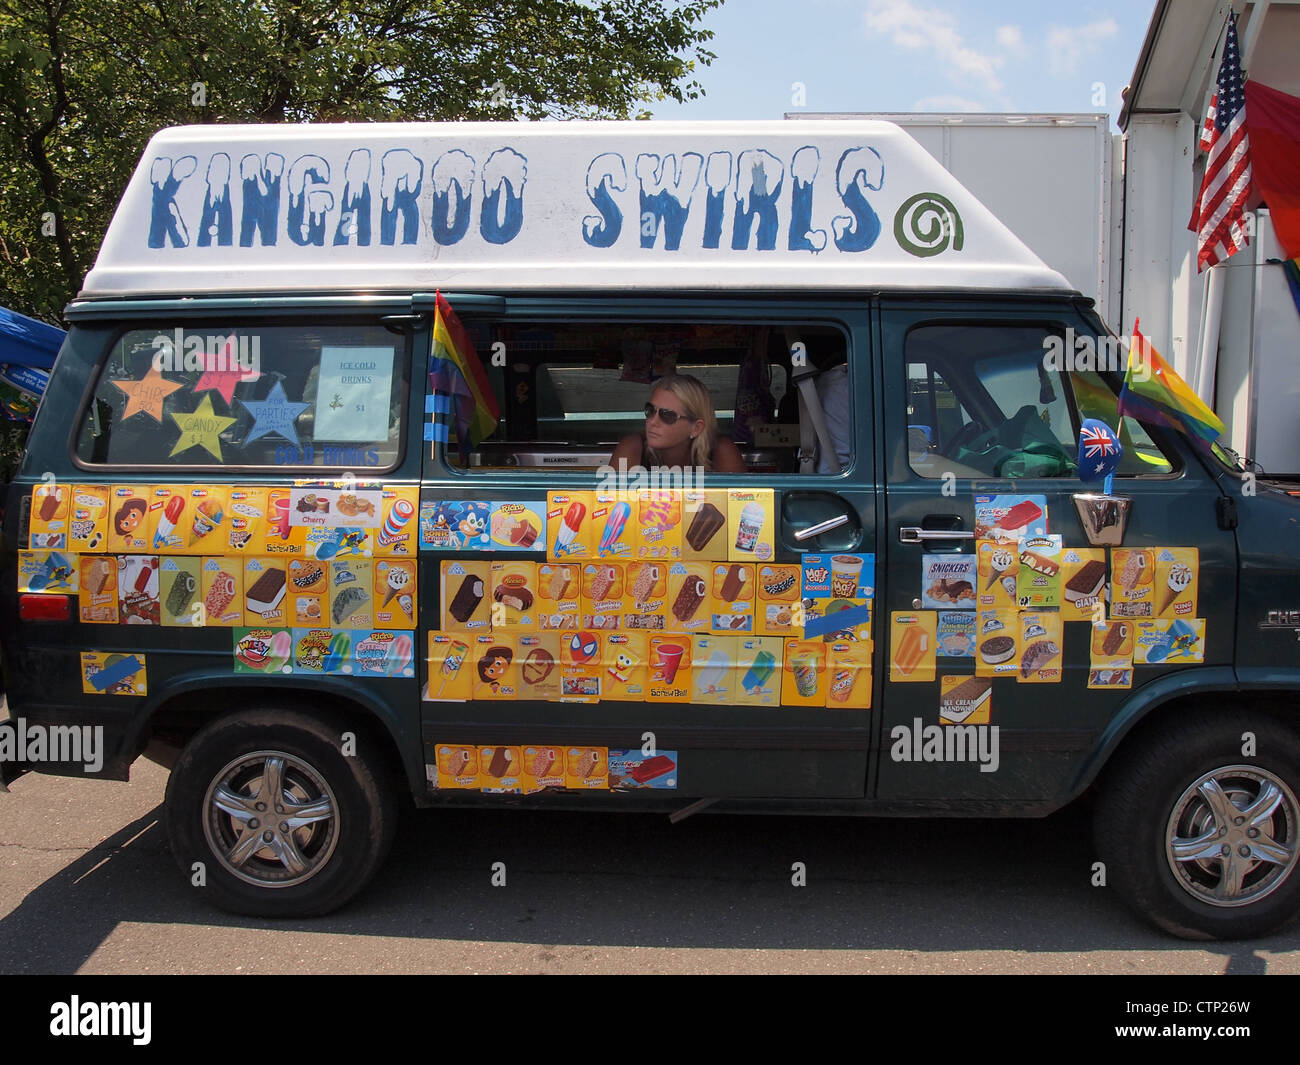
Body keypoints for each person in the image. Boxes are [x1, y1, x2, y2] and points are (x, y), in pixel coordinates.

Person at [609, 373, 746, 474]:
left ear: (696, 428)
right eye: (650, 410)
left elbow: (739, 505)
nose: (653, 421)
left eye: (667, 415)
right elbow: (610, 508)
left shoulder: (721, 451)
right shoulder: (633, 448)